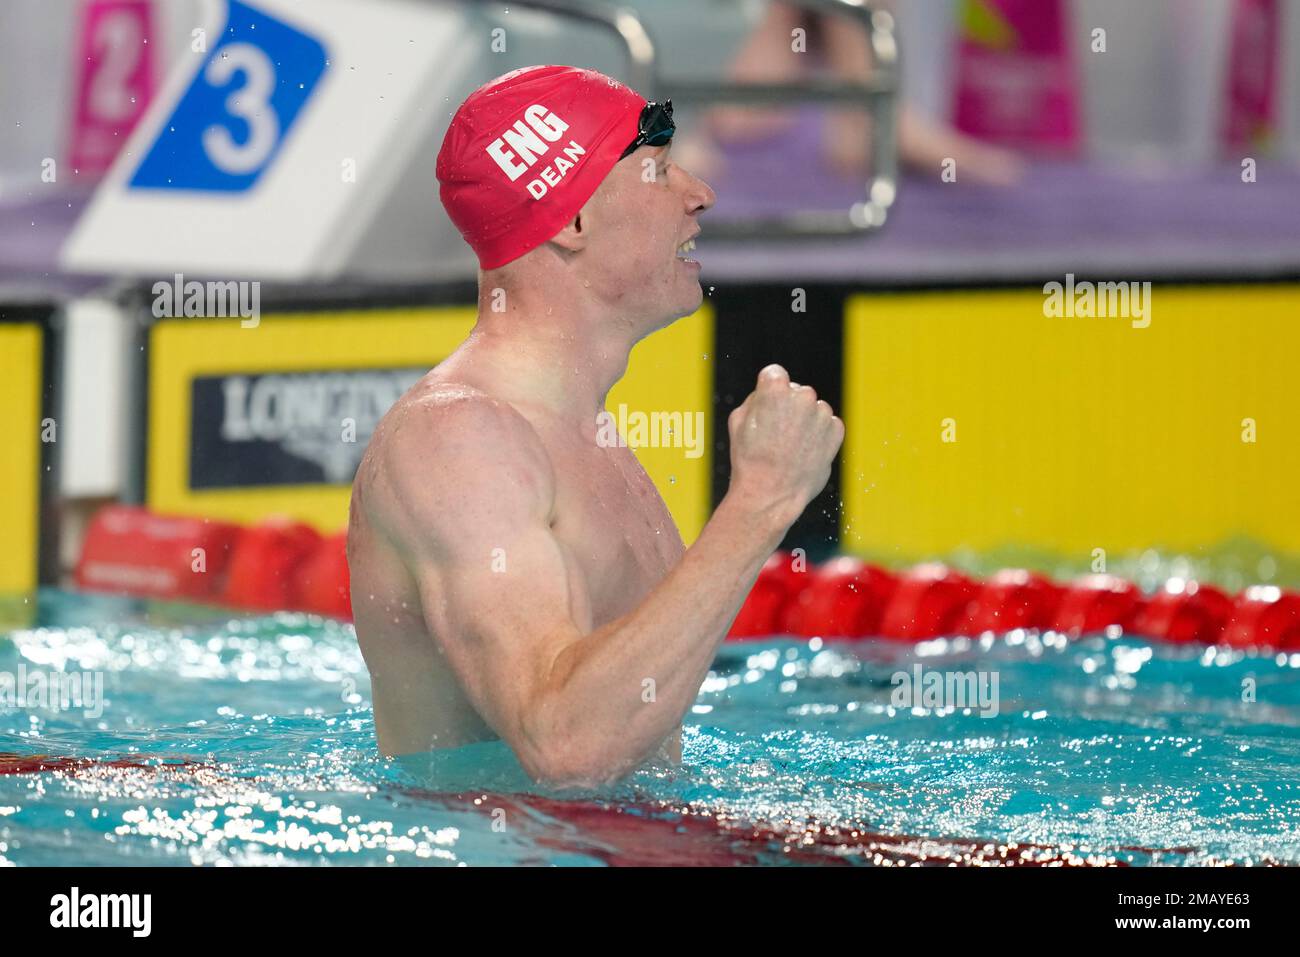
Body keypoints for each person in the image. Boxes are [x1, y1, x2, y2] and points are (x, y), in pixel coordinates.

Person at [347, 65, 843, 787]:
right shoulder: (457, 441)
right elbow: (565, 743)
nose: (699, 195)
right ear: (573, 221)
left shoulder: (573, 431)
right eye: (660, 173)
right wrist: (759, 503)